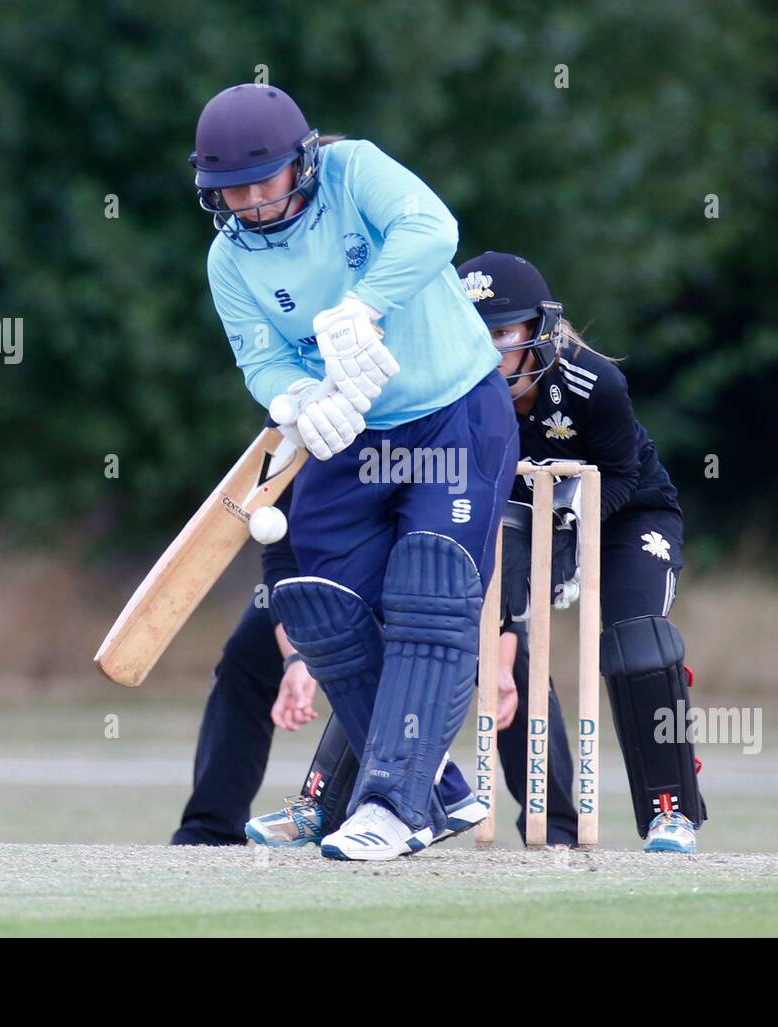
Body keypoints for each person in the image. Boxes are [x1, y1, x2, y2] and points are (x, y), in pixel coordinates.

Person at [190, 83, 518, 860]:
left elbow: (432, 227)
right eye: (230, 189)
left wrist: (361, 307)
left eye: (263, 181)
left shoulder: (353, 171)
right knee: (319, 598)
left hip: (453, 408)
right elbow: (260, 357)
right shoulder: (228, 258)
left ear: (301, 161)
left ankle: (389, 804)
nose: (250, 201)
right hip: (352, 435)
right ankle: (434, 787)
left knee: (428, 588)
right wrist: (295, 398)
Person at [456, 251, 707, 853]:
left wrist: (569, 528)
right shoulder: (449, 393)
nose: (488, 352)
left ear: (537, 331)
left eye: (501, 334)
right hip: (512, 515)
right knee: (470, 639)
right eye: (474, 334)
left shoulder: (595, 382)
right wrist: (503, 622)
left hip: (626, 512)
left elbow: (621, 474)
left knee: (636, 640)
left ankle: (670, 809)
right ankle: (550, 823)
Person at [173, 486, 580, 848]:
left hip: (434, 573)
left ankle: (554, 828)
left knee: (518, 673)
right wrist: (298, 658)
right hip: (337, 582)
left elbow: (495, 555)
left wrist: (500, 656)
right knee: (246, 656)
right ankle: (212, 829)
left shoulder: (435, 426)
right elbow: (282, 562)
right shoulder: (304, 440)